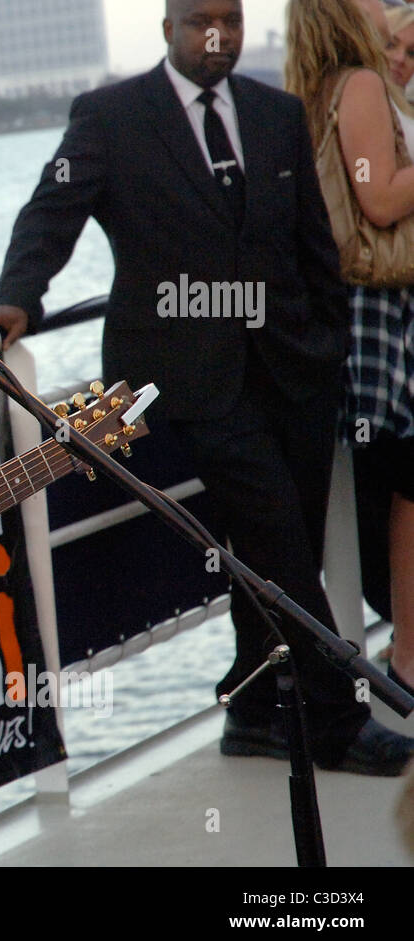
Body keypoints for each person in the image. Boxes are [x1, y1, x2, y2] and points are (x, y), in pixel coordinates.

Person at [0, 0, 414, 774]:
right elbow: (52, 213)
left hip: (294, 369)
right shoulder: (109, 117)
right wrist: (16, 301)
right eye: (203, 21)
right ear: (169, 29)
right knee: (276, 533)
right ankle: (337, 721)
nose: (220, 37)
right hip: (187, 376)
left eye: (233, 23)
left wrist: (328, 339)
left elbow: (315, 237)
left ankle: (251, 711)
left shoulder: (276, 113)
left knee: (286, 545)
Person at [285, 0, 414, 699]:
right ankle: (407, 656)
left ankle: (390, 649)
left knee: (380, 481)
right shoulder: (360, 83)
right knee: (405, 478)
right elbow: (382, 202)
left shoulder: (310, 86)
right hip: (378, 299)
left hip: (341, 304)